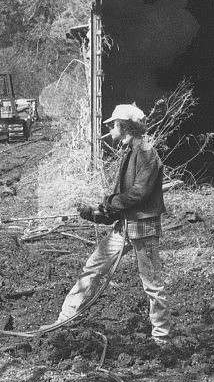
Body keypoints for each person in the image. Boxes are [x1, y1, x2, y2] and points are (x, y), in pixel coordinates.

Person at [55, 103, 171, 347]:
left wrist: (109, 203)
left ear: (124, 126)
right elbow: (122, 201)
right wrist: (95, 213)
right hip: (125, 226)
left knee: (152, 284)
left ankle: (161, 338)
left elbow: (138, 194)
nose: (110, 130)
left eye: (113, 125)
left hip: (143, 228)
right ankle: (65, 320)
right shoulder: (129, 153)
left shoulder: (147, 153)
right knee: (93, 268)